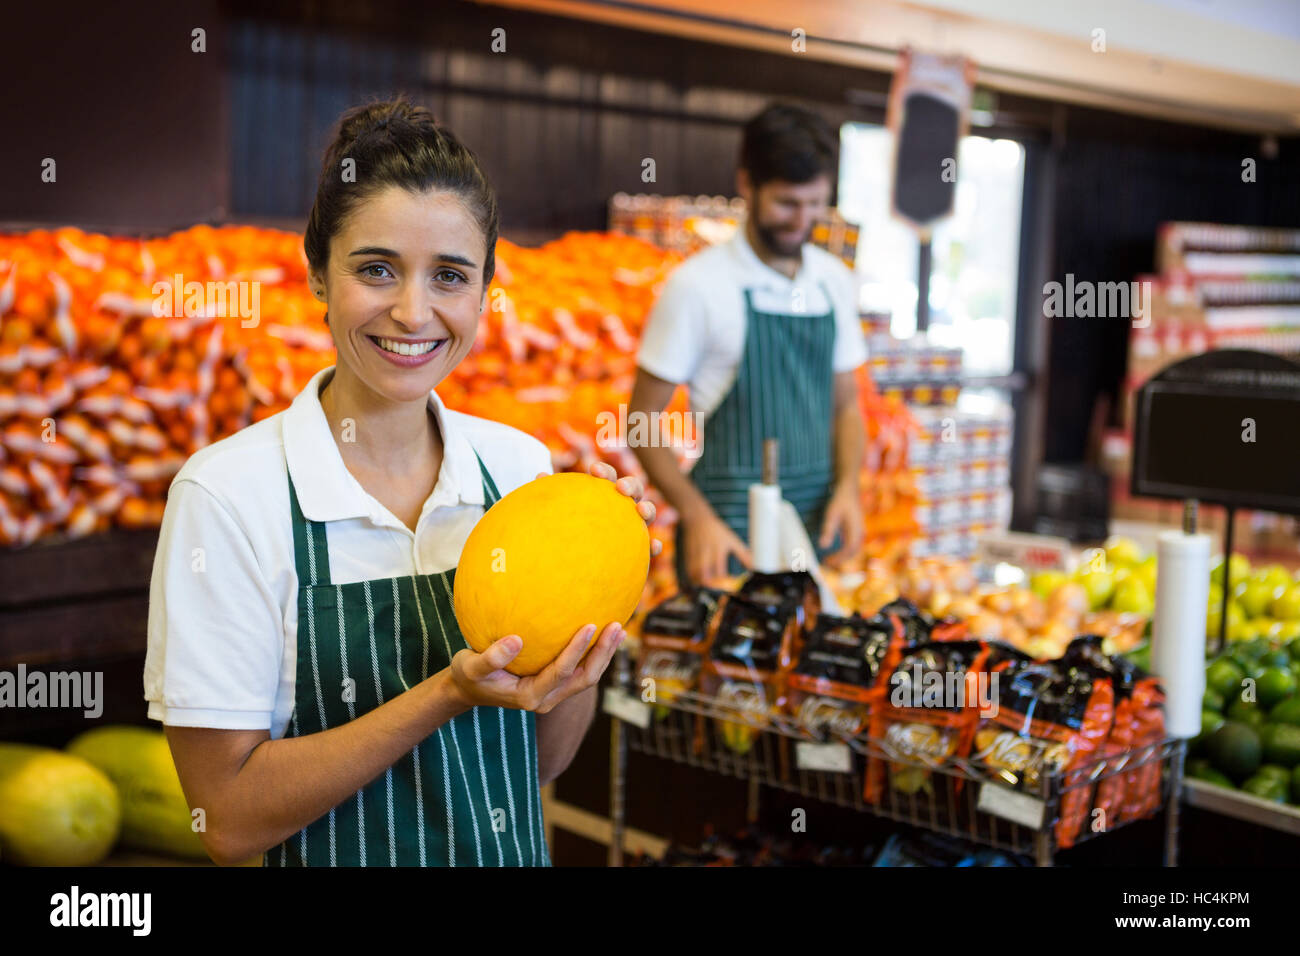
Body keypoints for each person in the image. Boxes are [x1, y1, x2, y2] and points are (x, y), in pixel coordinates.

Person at [144, 98, 655, 867]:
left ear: (486, 292)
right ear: (318, 272)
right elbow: (227, 820)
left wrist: (593, 619)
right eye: (377, 268)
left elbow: (537, 765)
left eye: (450, 276)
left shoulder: (520, 470)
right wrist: (446, 693)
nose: (413, 313)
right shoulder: (228, 499)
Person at [629, 103, 867, 587]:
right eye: (786, 203)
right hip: (728, 539)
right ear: (746, 185)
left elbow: (847, 406)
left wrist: (848, 489)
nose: (802, 220)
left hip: (815, 531)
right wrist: (696, 517)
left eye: (814, 203)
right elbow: (641, 422)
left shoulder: (834, 283)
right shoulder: (697, 287)